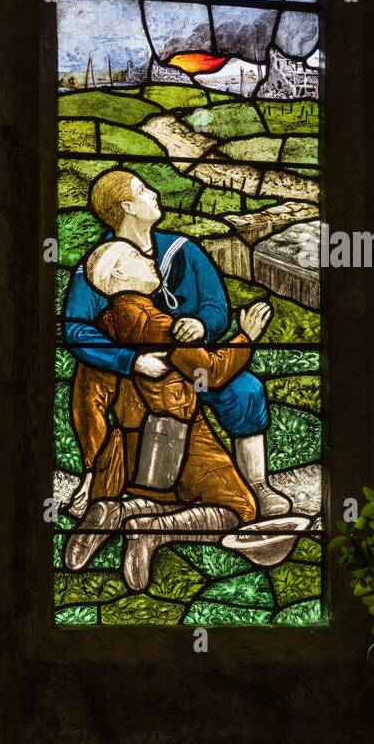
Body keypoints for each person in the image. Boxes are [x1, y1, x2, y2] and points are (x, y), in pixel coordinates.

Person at [65, 239, 307, 590]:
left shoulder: (105, 327)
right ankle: (150, 529)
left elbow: (88, 400)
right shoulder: (157, 323)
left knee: (166, 499)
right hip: (183, 437)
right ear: (117, 274)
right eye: (135, 256)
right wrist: (246, 337)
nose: (148, 257)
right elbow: (209, 373)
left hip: (132, 453)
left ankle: (123, 511)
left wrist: (94, 465)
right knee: (240, 509)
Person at [62, 168, 291, 521]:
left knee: (245, 389)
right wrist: (130, 361)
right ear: (127, 206)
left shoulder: (183, 251)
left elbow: (216, 307)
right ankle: (95, 475)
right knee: (88, 378)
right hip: (134, 372)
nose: (154, 193)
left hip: (193, 364)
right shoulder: (101, 263)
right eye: (143, 190)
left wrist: (199, 324)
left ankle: (257, 484)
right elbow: (76, 330)